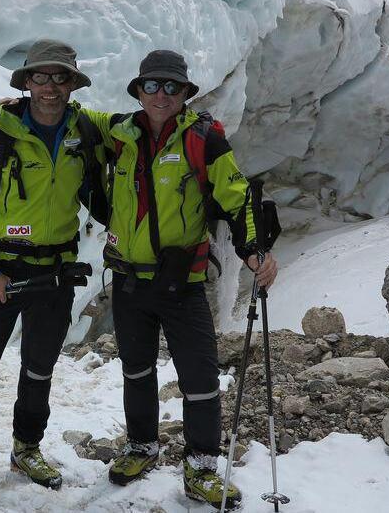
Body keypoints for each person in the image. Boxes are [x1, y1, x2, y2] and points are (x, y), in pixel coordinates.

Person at [0, 39, 115, 513]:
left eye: (60, 77)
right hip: (1, 275)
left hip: (53, 274)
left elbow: (133, 128)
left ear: (73, 83)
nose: (50, 87)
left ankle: (25, 449)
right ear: (26, 82)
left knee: (39, 371)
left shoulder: (85, 130)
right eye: (41, 77)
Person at [100, 49, 278, 511]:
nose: (161, 95)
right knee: (136, 370)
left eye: (171, 87)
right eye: (152, 86)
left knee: (199, 377)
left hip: (182, 282)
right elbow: (65, 114)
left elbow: (236, 196)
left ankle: (201, 463)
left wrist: (256, 250)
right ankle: (141, 446)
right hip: (127, 280)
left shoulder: (203, 138)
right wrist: (10, 105)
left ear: (185, 94)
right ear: (139, 90)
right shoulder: (118, 133)